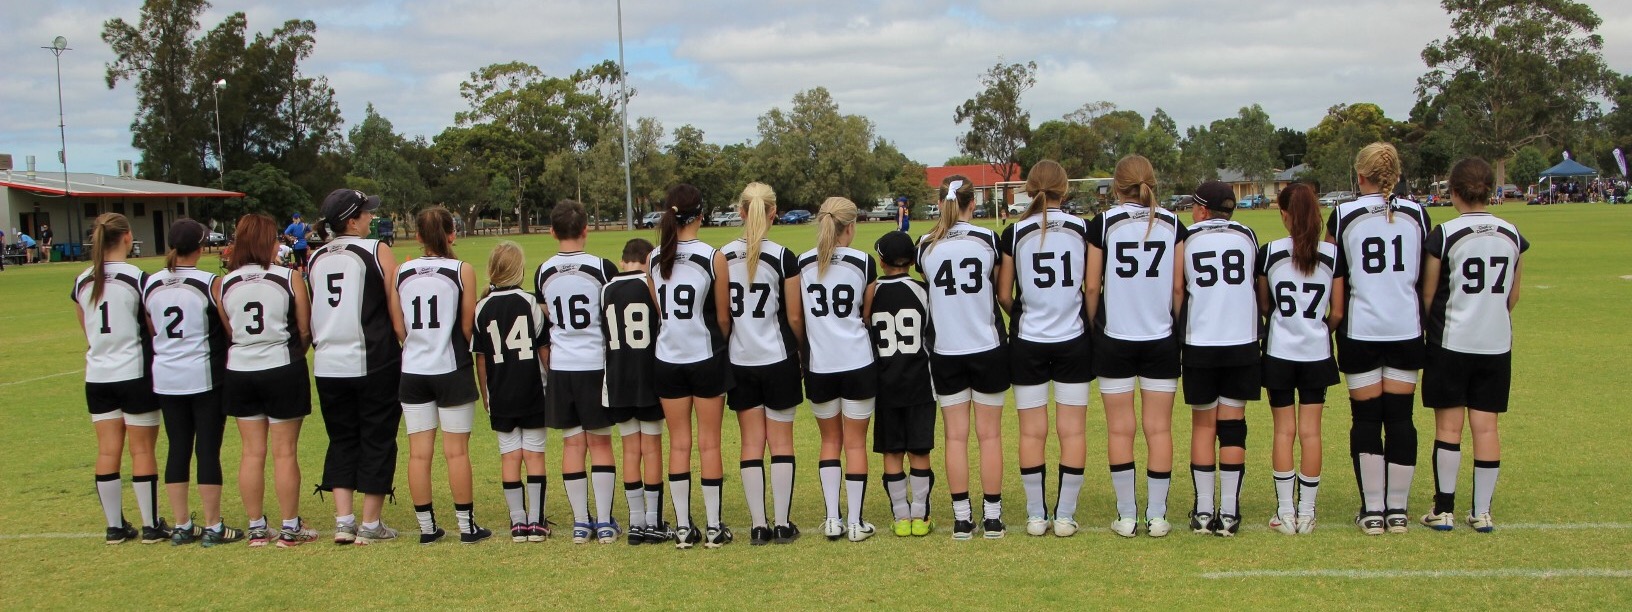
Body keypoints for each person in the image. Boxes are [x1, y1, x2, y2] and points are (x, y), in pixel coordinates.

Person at [1326, 142, 1430, 535]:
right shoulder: (1418, 213)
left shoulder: (1342, 214)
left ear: (1360, 176)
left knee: (1366, 419)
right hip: (1405, 328)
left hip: (1361, 330)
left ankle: (1372, 510)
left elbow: (1333, 272)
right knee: (1401, 418)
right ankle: (1398, 511)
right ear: (1396, 175)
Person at [1420, 158, 1527, 533]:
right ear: (1490, 191)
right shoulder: (1512, 234)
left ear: (1453, 192)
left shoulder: (1445, 233)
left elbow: (1429, 294)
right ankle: (1481, 512)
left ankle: (1443, 509)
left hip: (1451, 341)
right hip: (1495, 342)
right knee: (1486, 427)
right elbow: (1513, 296)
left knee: (1449, 428)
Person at [1084, 155, 1185, 538]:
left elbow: (1092, 285)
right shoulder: (1174, 223)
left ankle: (1127, 516)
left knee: (1120, 430)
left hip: (1115, 338)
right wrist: (1174, 324)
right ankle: (1157, 516)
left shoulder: (1104, 223)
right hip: (1160, 338)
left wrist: (1093, 324)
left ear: (1116, 185)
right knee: (1159, 429)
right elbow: (1178, 287)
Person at [995, 160, 1093, 537]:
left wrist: (1023, 311)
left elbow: (1004, 293)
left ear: (1029, 189)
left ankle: (1037, 516)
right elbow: (1092, 283)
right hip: (1073, 339)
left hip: (1028, 342)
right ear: (1064, 191)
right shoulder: (1083, 229)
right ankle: (1065, 515)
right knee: (1073, 432)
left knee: (1032, 433)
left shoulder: (1014, 232)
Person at [306, 189, 405, 544]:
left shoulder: (315, 257)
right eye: (365, 214)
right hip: (373, 359)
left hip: (328, 362)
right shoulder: (376, 249)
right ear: (351, 220)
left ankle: (344, 520)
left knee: (342, 439)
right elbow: (395, 300)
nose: (370, 219)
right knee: (378, 437)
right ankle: (370, 523)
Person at [917, 175, 1009, 540]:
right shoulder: (988, 238)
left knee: (955, 437)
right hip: (986, 347)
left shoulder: (925, 244)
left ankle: (960, 519)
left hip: (946, 350)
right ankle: (992, 518)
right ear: (974, 204)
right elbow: (998, 288)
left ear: (941, 203)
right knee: (989, 436)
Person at [216, 213, 314, 547]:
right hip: (282, 366)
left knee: (252, 452)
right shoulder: (288, 277)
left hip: (241, 369)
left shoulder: (226, 283)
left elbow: (230, 330)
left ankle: (257, 527)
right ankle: (289, 527)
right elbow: (303, 328)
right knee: (284, 452)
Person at [144, 219, 240, 546]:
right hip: (203, 375)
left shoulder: (152, 283)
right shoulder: (210, 282)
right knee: (207, 450)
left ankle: (182, 524)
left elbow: (151, 327)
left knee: (178, 448)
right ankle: (213, 526)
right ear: (200, 248)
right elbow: (229, 328)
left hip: (167, 376)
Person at [648, 184, 734, 549]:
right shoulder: (712, 257)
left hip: (667, 358)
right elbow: (724, 317)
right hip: (704, 357)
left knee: (679, 444)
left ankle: (684, 527)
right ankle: (714, 527)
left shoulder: (654, 256)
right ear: (701, 214)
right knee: (709, 444)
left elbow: (659, 310)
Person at [720, 183, 805, 545]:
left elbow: (723, 318)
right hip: (778, 358)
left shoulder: (720, 256)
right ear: (774, 212)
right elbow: (795, 318)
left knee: (751, 442)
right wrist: (801, 351)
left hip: (740, 360)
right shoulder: (784, 257)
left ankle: (758, 525)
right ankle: (783, 524)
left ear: (741, 212)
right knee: (781, 442)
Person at [398, 207, 489, 544]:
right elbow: (466, 327)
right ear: (452, 234)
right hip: (451, 368)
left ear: (419, 236)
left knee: (419, 453)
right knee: (456, 452)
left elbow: (399, 326)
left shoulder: (402, 271)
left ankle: (426, 528)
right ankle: (467, 527)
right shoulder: (461, 270)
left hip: (413, 370)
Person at [74, 213, 166, 544]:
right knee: (142, 450)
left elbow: (85, 327)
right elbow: (152, 324)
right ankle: (151, 525)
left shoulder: (83, 280)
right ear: (127, 237)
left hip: (98, 374)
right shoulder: (137, 277)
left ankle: (115, 526)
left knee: (107, 449)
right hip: (134, 372)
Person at [535, 200, 622, 545]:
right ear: (586, 229)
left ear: (552, 231)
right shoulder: (602, 268)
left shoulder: (544, 270)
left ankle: (581, 523)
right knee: (600, 443)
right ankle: (603, 522)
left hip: (562, 367)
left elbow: (545, 315)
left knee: (572, 444)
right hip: (595, 365)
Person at [1258, 183, 1342, 535]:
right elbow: (1336, 311)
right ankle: (1307, 514)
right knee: (1311, 433)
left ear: (1285, 214)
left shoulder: (1270, 253)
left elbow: (1264, 306)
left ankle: (1286, 513)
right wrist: (1320, 328)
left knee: (1284, 431)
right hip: (1316, 353)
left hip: (1279, 352)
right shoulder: (1331, 256)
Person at [1178, 181, 1260, 537]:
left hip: (1201, 340)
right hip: (1241, 340)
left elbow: (1179, 290)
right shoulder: (1248, 235)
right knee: (1232, 425)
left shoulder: (1189, 237)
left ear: (1203, 210)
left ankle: (1203, 510)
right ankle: (1228, 512)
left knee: (1203, 425)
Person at [795, 197, 879, 542]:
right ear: (851, 226)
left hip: (820, 364)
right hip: (858, 362)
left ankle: (833, 519)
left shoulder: (802, 262)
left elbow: (797, 317)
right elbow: (867, 314)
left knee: (830, 441)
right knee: (855, 444)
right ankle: (856, 522)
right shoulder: (863, 262)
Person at [473, 241, 552, 543]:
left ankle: (518, 522)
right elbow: (543, 350)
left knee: (510, 457)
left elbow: (481, 358)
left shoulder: (482, 307)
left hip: (501, 394)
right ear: (519, 270)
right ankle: (536, 521)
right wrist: (554, 383)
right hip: (532, 390)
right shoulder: (528, 303)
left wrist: (486, 394)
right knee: (534, 455)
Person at [868, 230, 937, 538]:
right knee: (919, 451)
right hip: (921, 383)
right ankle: (921, 515)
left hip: (884, 384)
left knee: (892, 452)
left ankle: (901, 516)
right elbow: (932, 336)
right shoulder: (923, 291)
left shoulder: (872, 292)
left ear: (881, 262)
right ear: (912, 260)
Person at [602, 238, 671, 545]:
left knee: (630, 449)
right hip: (649, 377)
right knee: (651, 448)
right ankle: (654, 522)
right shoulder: (650, 284)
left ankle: (636, 523)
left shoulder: (606, 288)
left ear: (623, 260)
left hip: (618, 378)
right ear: (648, 258)